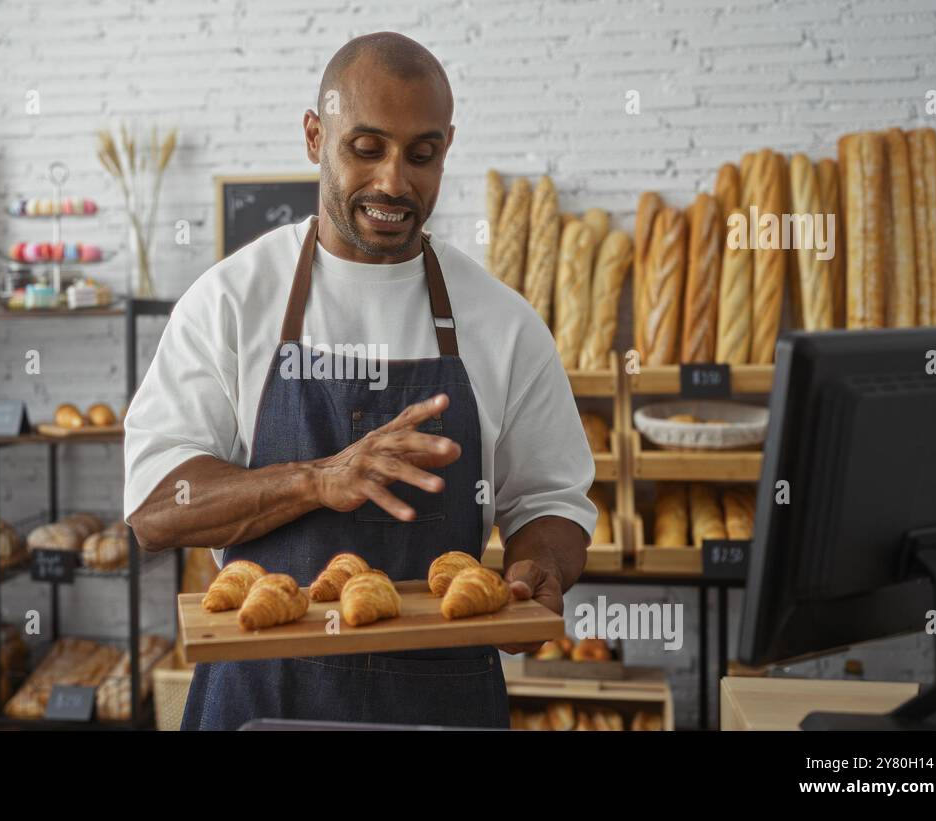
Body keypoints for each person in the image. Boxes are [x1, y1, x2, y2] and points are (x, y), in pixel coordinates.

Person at [123, 32, 596, 730]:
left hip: (442, 702)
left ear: (447, 149)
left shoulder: (501, 321)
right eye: (366, 148)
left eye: (422, 154)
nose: (394, 182)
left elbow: (553, 504)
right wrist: (316, 479)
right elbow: (157, 507)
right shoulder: (231, 301)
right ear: (316, 136)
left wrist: (538, 571)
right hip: (264, 698)